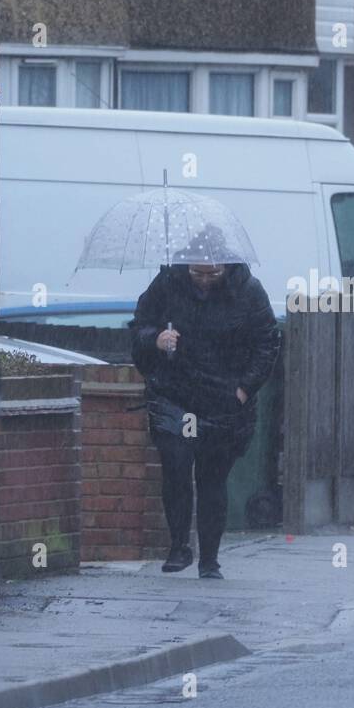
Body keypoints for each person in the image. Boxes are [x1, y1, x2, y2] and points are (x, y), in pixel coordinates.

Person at [128, 227, 281, 579]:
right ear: (186, 266)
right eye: (198, 273)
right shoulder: (167, 282)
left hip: (223, 399)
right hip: (175, 394)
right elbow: (139, 326)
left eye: (213, 273)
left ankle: (209, 559)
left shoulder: (247, 290)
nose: (205, 280)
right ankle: (179, 545)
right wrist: (157, 339)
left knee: (213, 479)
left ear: (226, 265)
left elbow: (268, 341)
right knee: (176, 467)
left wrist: (244, 389)